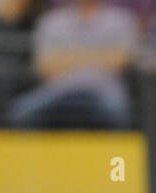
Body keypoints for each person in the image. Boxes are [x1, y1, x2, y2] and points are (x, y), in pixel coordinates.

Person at [8, 0, 139, 129]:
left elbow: (121, 61)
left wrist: (68, 58)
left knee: (118, 112)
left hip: (105, 90)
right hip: (58, 89)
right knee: (22, 112)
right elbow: (44, 67)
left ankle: (114, 151)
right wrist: (99, 57)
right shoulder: (52, 21)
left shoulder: (121, 20)